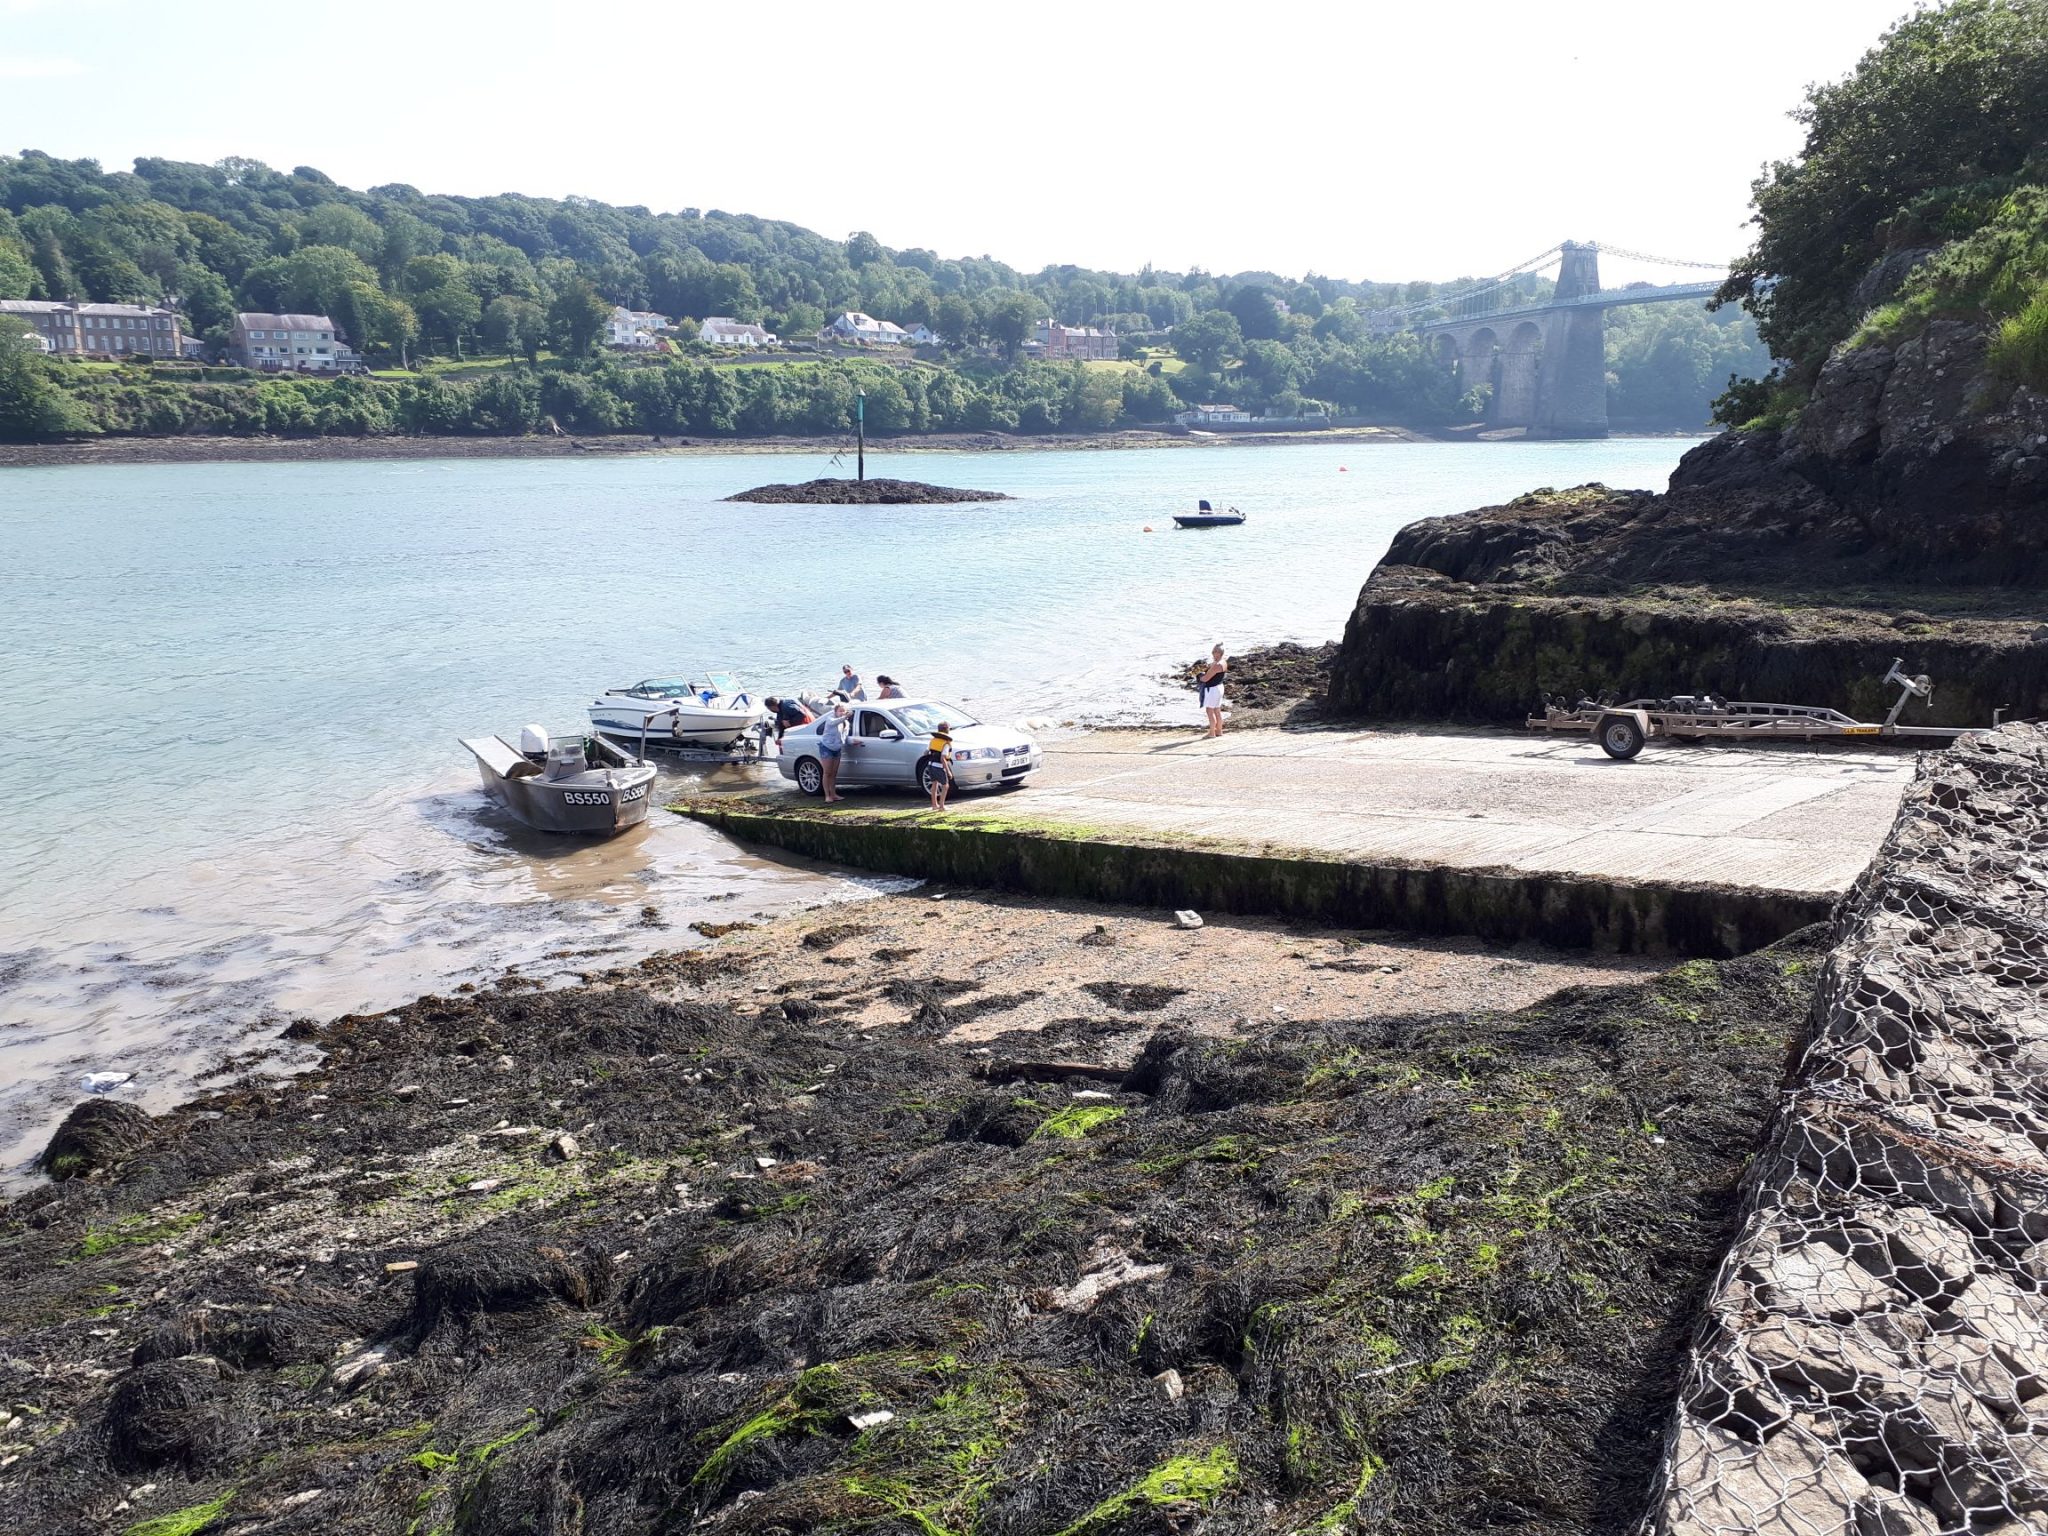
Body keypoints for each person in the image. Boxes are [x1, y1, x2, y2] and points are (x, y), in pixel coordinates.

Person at [817, 702, 852, 802]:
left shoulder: (845, 723)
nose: (842, 713)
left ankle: (833, 794)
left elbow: (844, 737)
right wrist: (845, 717)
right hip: (826, 747)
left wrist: (853, 742)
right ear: (835, 711)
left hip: (837, 748)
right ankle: (827, 795)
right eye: (840, 711)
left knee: (834, 773)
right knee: (827, 772)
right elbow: (833, 723)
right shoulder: (830, 719)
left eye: (844, 711)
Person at [1197, 644, 1228, 738]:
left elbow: (1205, 679)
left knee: (1209, 710)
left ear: (1219, 653)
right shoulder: (1223, 662)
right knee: (1217, 710)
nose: (1213, 653)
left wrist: (1199, 675)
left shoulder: (1217, 665)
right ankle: (1219, 731)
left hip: (1213, 689)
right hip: (1219, 687)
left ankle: (1212, 733)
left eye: (1214, 651)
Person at [924, 719, 955, 811]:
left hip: (930, 765)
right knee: (945, 786)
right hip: (938, 766)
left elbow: (925, 753)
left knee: (934, 784)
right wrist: (948, 772)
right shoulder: (946, 744)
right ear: (947, 730)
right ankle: (942, 806)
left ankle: (934, 805)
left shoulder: (933, 740)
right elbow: (943, 758)